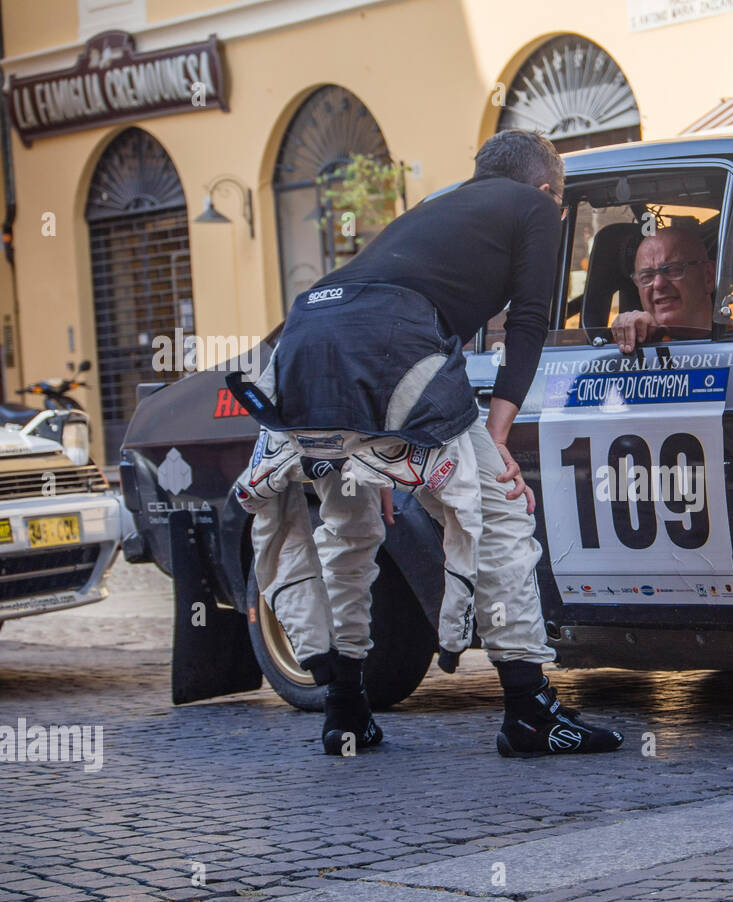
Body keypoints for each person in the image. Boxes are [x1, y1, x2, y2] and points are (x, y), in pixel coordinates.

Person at [231, 129, 623, 758]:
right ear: (548, 190)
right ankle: (530, 711)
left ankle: (345, 711)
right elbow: (529, 322)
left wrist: (383, 456)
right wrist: (498, 440)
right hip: (387, 338)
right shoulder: (535, 208)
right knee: (499, 514)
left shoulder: (433, 212)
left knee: (346, 528)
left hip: (306, 331)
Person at [610, 228, 715, 353]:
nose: (658, 284)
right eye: (646, 276)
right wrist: (631, 335)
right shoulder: (626, 347)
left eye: (672, 270)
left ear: (708, 276)